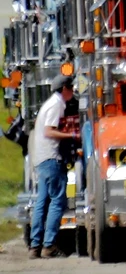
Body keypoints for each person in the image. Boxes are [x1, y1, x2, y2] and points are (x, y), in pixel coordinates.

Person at [28, 74, 77, 259]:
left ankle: (35, 246)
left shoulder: (48, 104)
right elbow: (49, 131)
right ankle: (49, 245)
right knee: (57, 201)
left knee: (42, 202)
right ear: (64, 89)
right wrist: (72, 135)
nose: (72, 91)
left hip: (41, 159)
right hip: (51, 158)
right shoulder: (57, 104)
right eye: (71, 88)